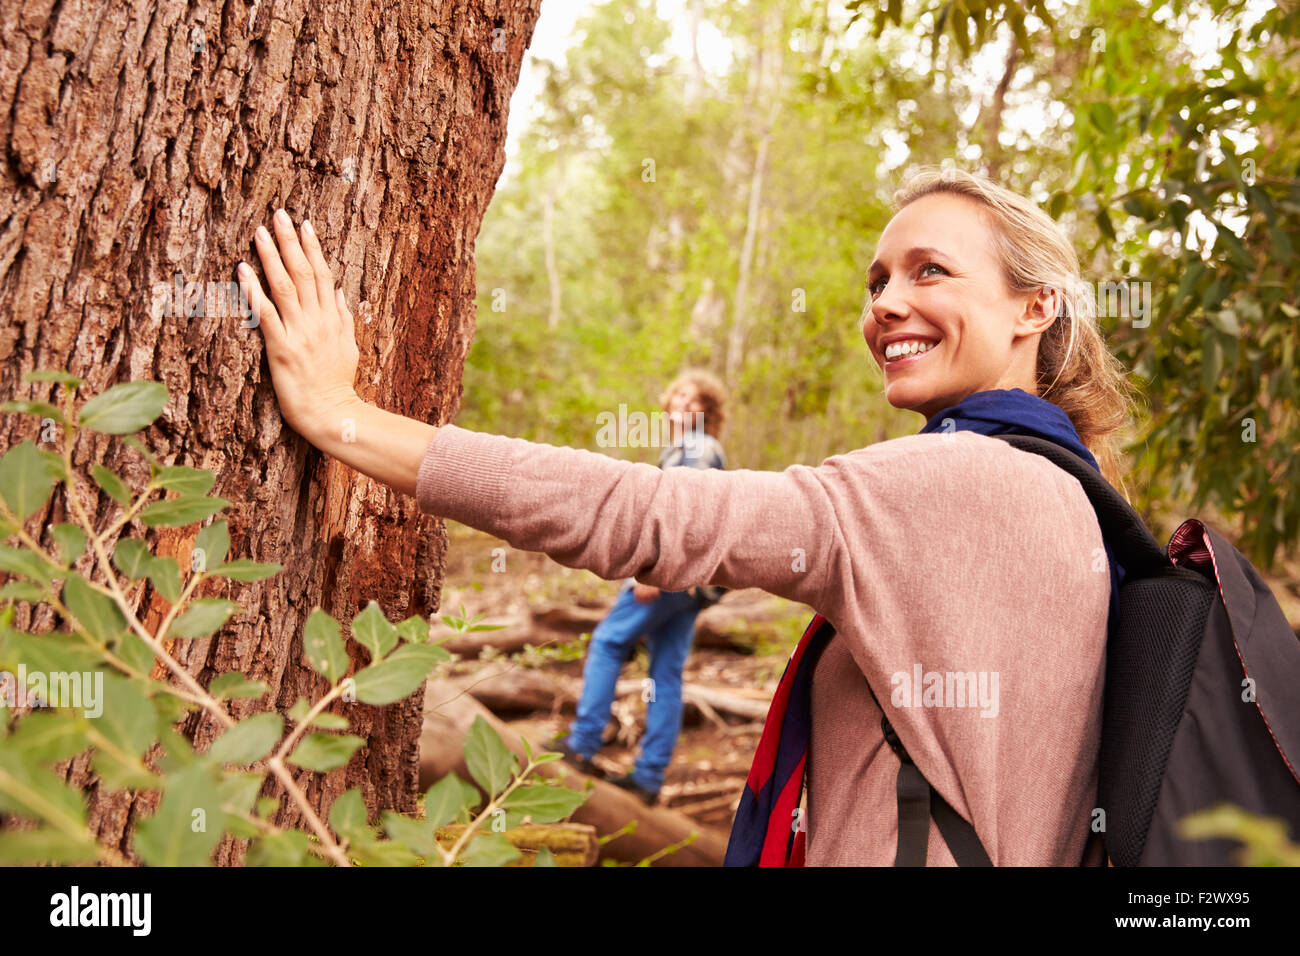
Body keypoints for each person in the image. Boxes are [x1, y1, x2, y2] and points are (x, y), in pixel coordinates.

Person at [237, 164, 1134, 865]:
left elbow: (645, 515)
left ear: (1035, 306)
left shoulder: (958, 478)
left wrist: (341, 417)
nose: (885, 305)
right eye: (878, 280)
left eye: (929, 271)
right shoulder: (1075, 495)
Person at [551, 371, 729, 804]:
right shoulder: (691, 448)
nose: (685, 406)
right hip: (695, 581)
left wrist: (653, 568)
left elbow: (686, 510)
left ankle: (581, 745)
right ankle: (649, 778)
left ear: (707, 413)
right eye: (679, 398)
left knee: (609, 642)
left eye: (695, 401)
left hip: (671, 575)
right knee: (665, 670)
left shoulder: (697, 448)